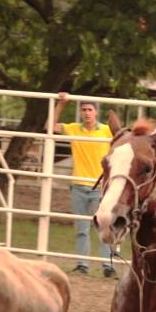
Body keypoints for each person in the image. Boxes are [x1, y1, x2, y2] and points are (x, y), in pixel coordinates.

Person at [50, 94, 117, 278]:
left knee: (104, 227)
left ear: (96, 113)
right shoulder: (74, 128)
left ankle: (108, 265)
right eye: (84, 110)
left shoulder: (105, 131)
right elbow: (50, 126)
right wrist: (61, 104)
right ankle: (82, 264)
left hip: (99, 187)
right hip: (78, 186)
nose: (87, 113)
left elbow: (124, 137)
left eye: (90, 110)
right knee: (81, 229)